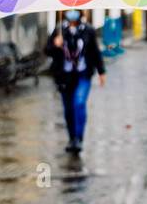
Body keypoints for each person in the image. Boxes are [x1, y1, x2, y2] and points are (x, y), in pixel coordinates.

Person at [45, 10, 105, 154]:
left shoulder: (88, 30)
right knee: (68, 109)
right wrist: (55, 45)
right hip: (64, 77)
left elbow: (95, 51)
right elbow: (47, 51)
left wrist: (101, 71)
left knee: (79, 103)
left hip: (83, 75)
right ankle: (72, 138)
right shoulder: (59, 29)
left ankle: (78, 138)